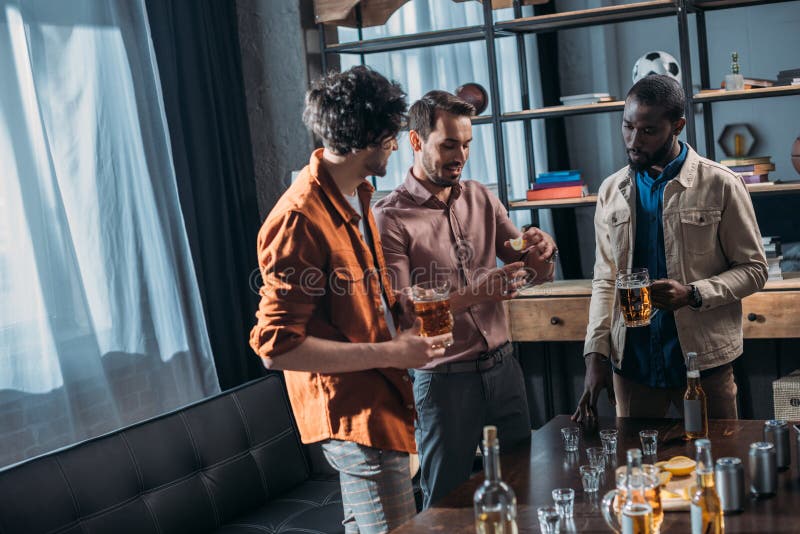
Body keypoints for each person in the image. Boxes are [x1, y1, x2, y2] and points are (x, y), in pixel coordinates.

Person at [249, 66, 452, 534]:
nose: (396, 145)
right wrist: (393, 351)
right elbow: (275, 349)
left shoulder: (358, 193)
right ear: (370, 138)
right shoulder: (298, 219)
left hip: (384, 396)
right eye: (391, 136)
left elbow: (354, 296)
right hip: (354, 414)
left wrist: (400, 305)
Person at [374, 90, 557, 508]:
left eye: (467, 144)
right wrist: (478, 293)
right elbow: (405, 317)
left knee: (522, 487)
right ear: (417, 141)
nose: (461, 155)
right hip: (443, 383)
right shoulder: (390, 219)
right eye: (449, 144)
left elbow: (530, 270)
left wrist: (544, 248)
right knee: (444, 507)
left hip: (505, 370)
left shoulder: (481, 196)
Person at [573, 74, 767, 425]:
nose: (634, 141)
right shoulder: (610, 190)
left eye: (647, 131)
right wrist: (595, 357)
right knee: (639, 473)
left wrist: (693, 293)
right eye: (627, 126)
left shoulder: (721, 184)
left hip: (702, 363)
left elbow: (754, 269)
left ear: (677, 126)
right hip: (632, 365)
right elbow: (605, 281)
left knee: (717, 466)